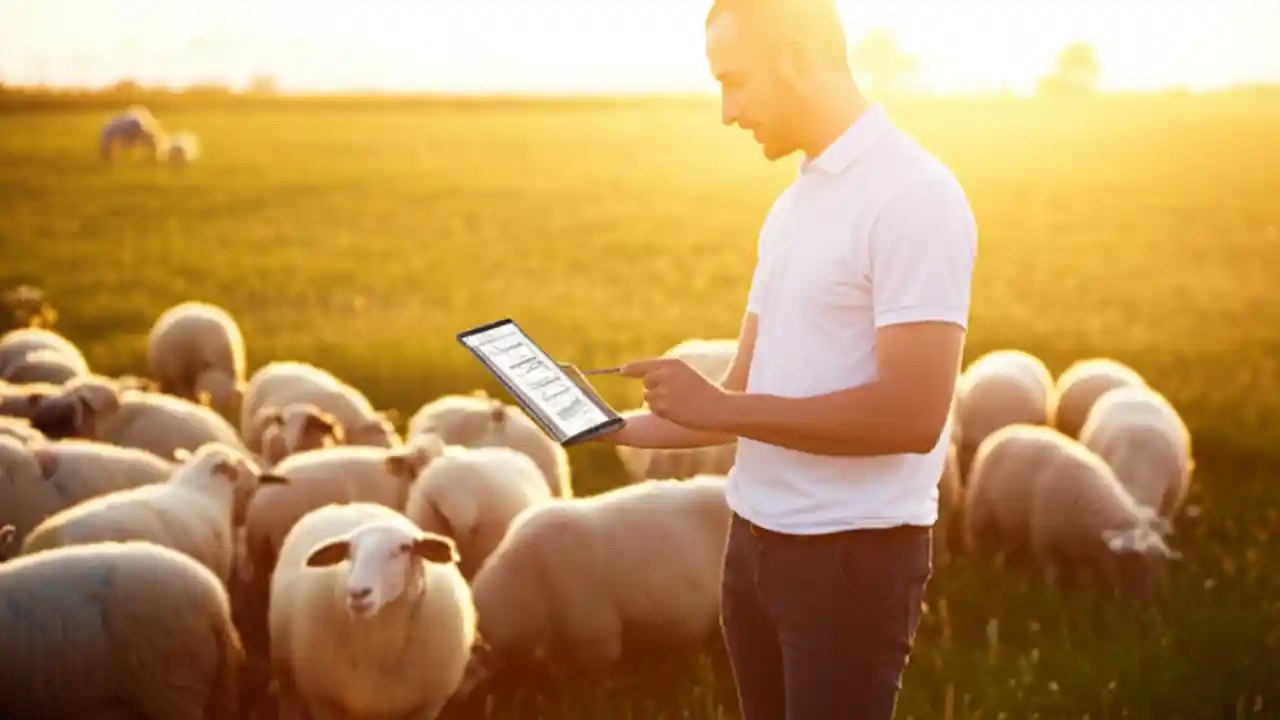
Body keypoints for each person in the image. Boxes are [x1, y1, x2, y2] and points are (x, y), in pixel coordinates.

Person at [589, 0, 979, 717]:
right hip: (752, 549)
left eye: (735, 81)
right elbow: (742, 397)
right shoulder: (794, 208)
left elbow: (913, 415)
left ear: (801, 58)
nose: (727, 111)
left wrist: (726, 407)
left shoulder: (915, 196)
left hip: (849, 562)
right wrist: (602, 426)